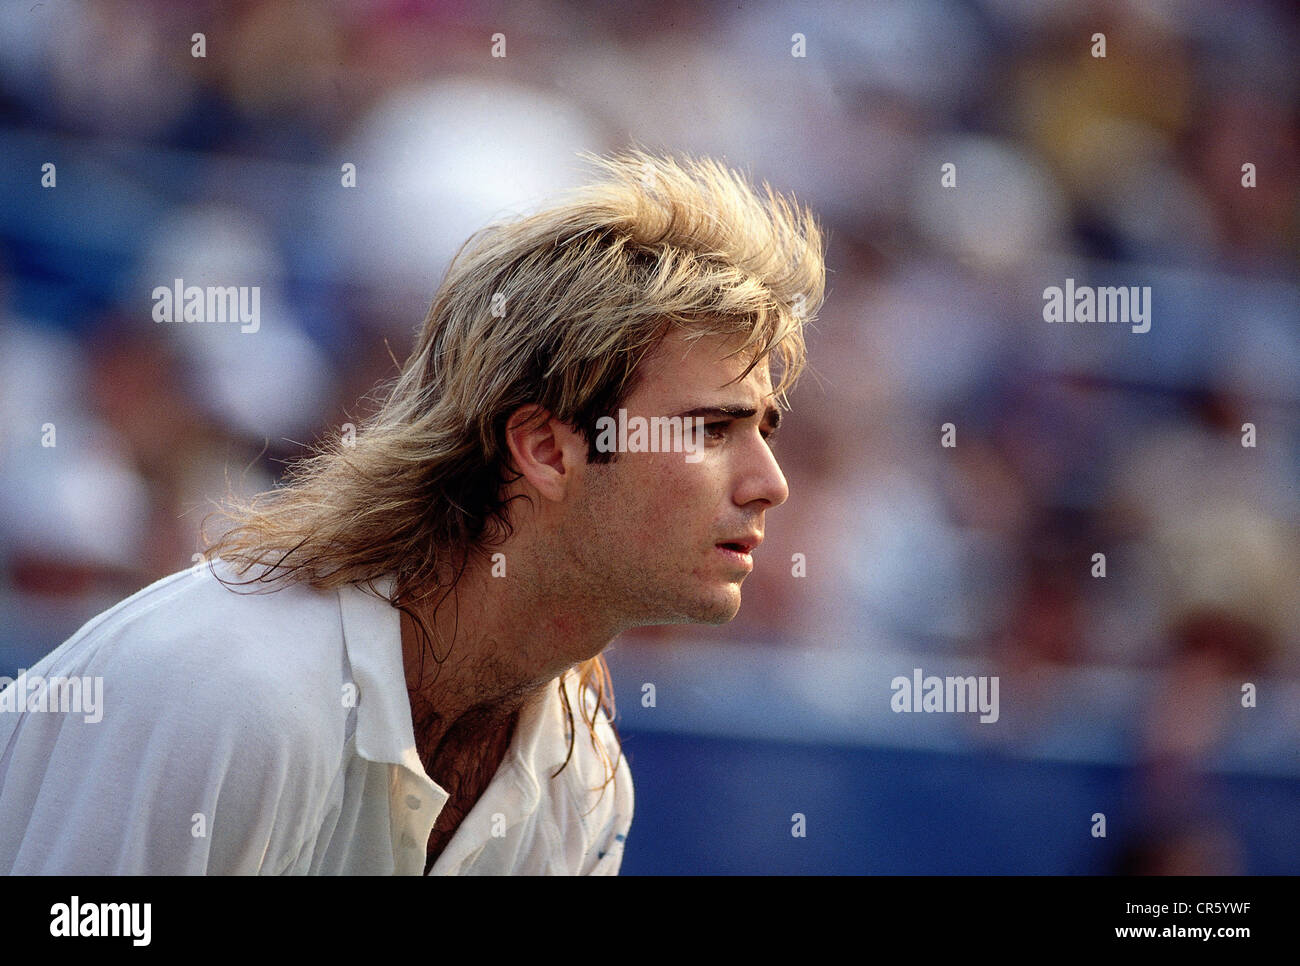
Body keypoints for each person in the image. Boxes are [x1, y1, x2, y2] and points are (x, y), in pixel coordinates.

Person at [0, 148, 825, 875]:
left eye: (764, 427)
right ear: (544, 449)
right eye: (712, 428)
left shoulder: (583, 780)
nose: (769, 482)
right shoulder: (239, 693)